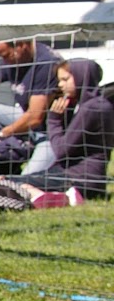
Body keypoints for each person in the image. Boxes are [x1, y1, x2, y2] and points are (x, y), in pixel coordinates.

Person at [12, 58, 113, 205]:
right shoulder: (89, 104)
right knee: (10, 181)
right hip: (80, 177)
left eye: (65, 79)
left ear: (81, 77)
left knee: (8, 182)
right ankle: (51, 196)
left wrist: (53, 120)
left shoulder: (92, 108)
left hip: (80, 179)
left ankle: (59, 198)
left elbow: (61, 150)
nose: (60, 85)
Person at [0, 37, 61, 176]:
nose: (4, 61)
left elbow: (35, 117)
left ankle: (16, 155)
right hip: (25, 117)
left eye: (7, 55)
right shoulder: (13, 60)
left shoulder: (45, 63)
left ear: (21, 45)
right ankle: (0, 156)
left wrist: (3, 133)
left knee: (25, 181)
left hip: (50, 131)